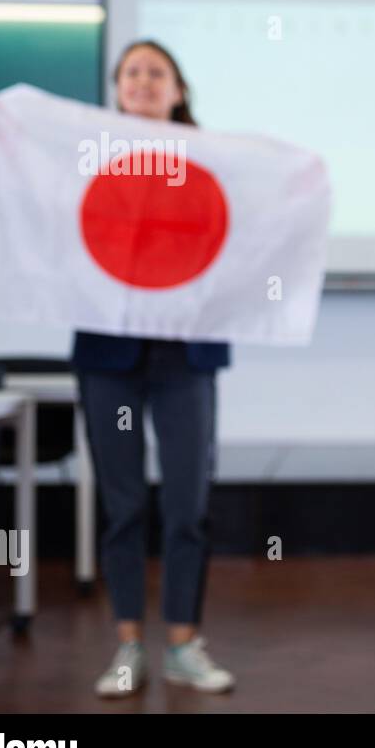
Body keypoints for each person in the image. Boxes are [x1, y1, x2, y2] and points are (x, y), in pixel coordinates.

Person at [75, 40, 234, 696]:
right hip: (109, 353)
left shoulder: (216, 162)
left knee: (187, 501)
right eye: (132, 72)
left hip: (186, 354)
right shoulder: (83, 156)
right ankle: (127, 646)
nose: (143, 81)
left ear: (178, 90)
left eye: (156, 72)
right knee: (121, 502)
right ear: (116, 88)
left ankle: (183, 644)